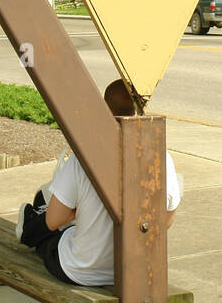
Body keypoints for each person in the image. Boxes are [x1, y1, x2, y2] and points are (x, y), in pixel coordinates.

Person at [15, 80, 181, 285]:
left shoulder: (83, 158)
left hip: (80, 271)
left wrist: (74, 214)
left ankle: (28, 225)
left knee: (49, 237)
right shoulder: (161, 157)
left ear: (103, 111)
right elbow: (168, 217)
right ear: (138, 111)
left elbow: (54, 220)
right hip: (134, 273)